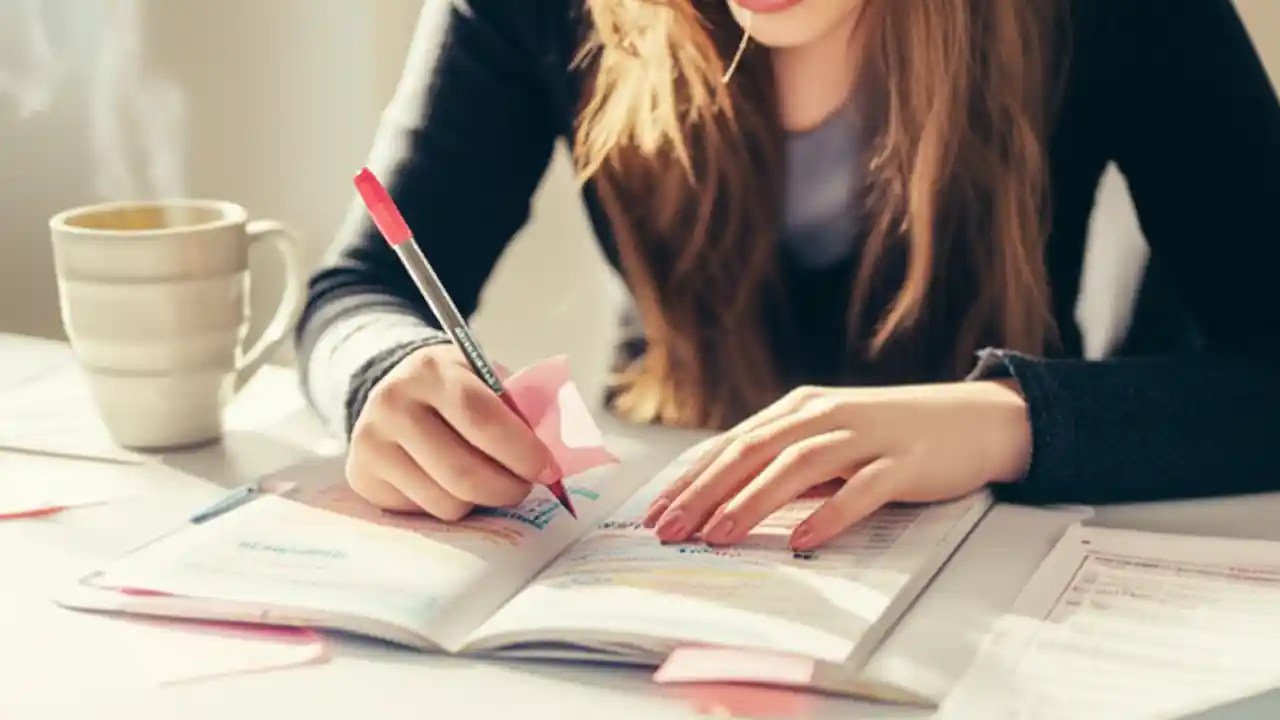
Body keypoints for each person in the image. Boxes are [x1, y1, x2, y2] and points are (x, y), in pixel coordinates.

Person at [297, 0, 1280, 551]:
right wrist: (381, 373)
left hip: (1002, 578)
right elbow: (356, 292)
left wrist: (1009, 420)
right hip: (659, 567)